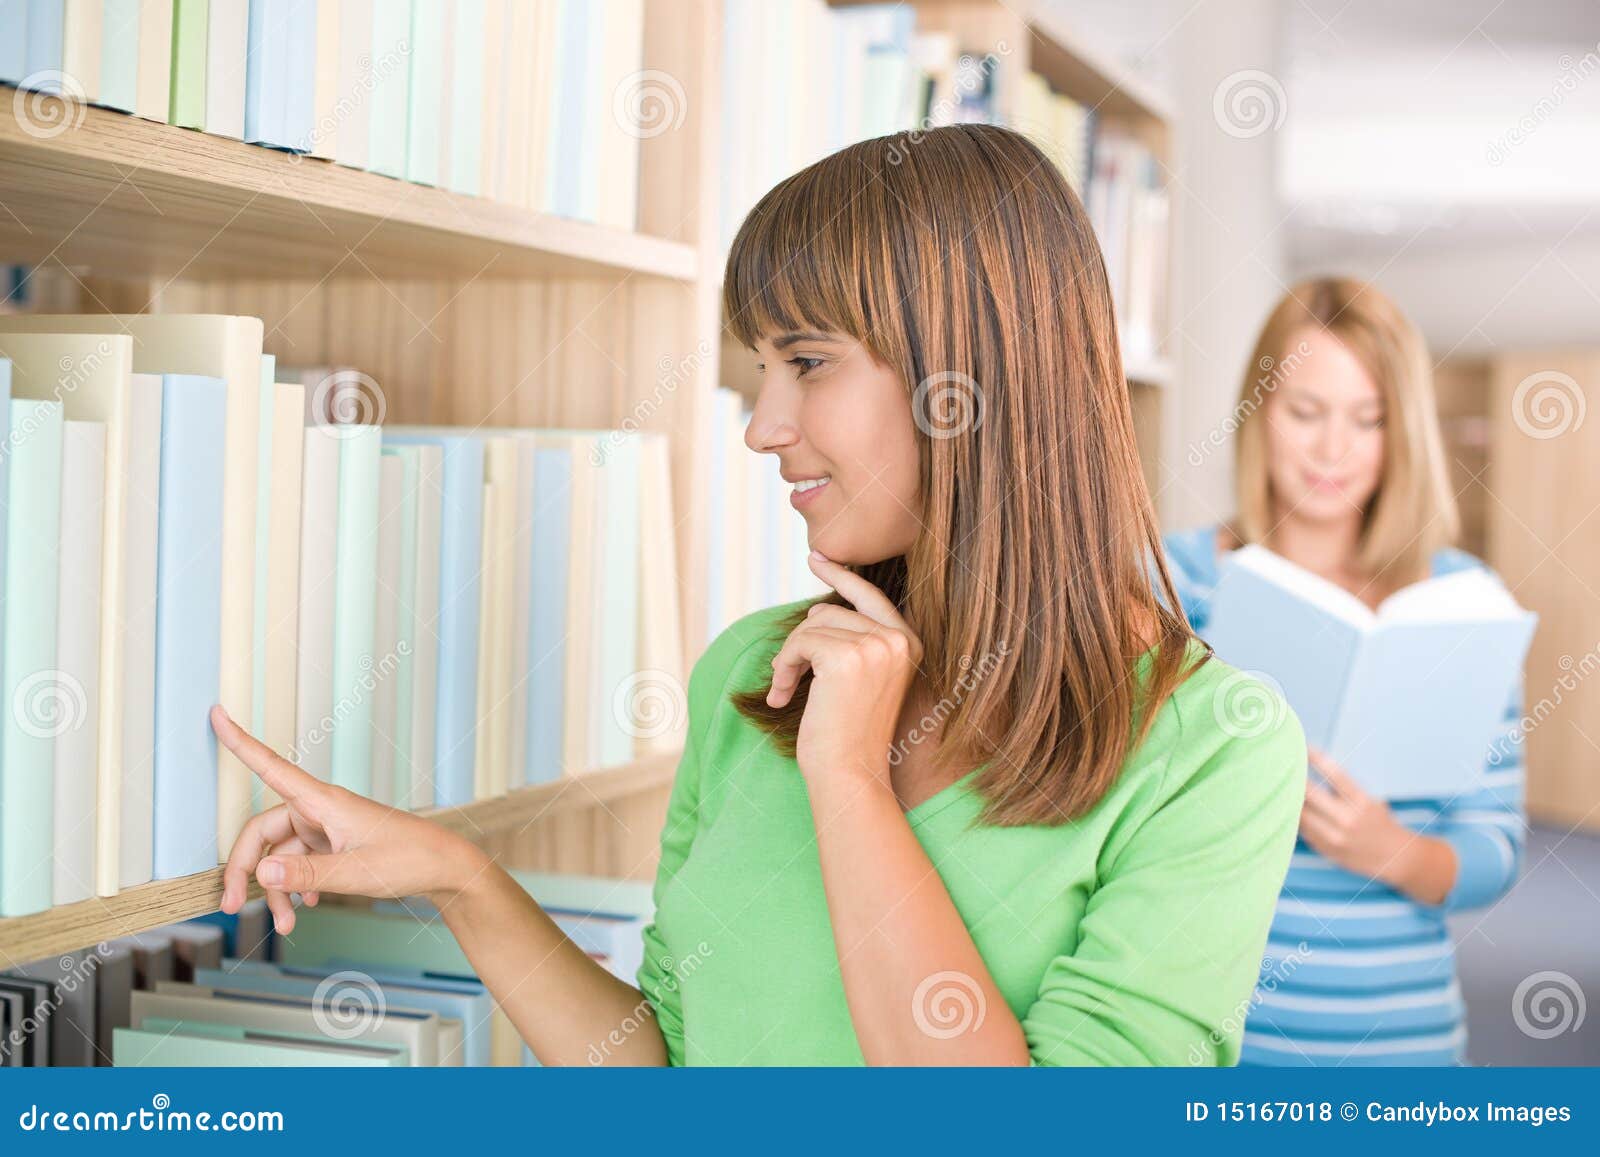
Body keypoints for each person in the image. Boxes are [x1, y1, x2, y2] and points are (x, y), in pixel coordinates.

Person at [212, 123, 1307, 1066]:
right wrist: (460, 879)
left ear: (970, 378)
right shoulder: (754, 670)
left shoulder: (1215, 749)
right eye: (759, 369)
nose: (762, 425)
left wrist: (849, 781)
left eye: (810, 362)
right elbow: (669, 1069)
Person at [1163, 276, 1526, 1066]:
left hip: (1404, 1047)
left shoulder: (1461, 600)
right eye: (1305, 412)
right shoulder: (1173, 581)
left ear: (1405, 433)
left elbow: (1495, 843)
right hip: (1212, 1037)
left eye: (1369, 420)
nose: (1334, 451)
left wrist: (1388, 849)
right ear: (1259, 413)